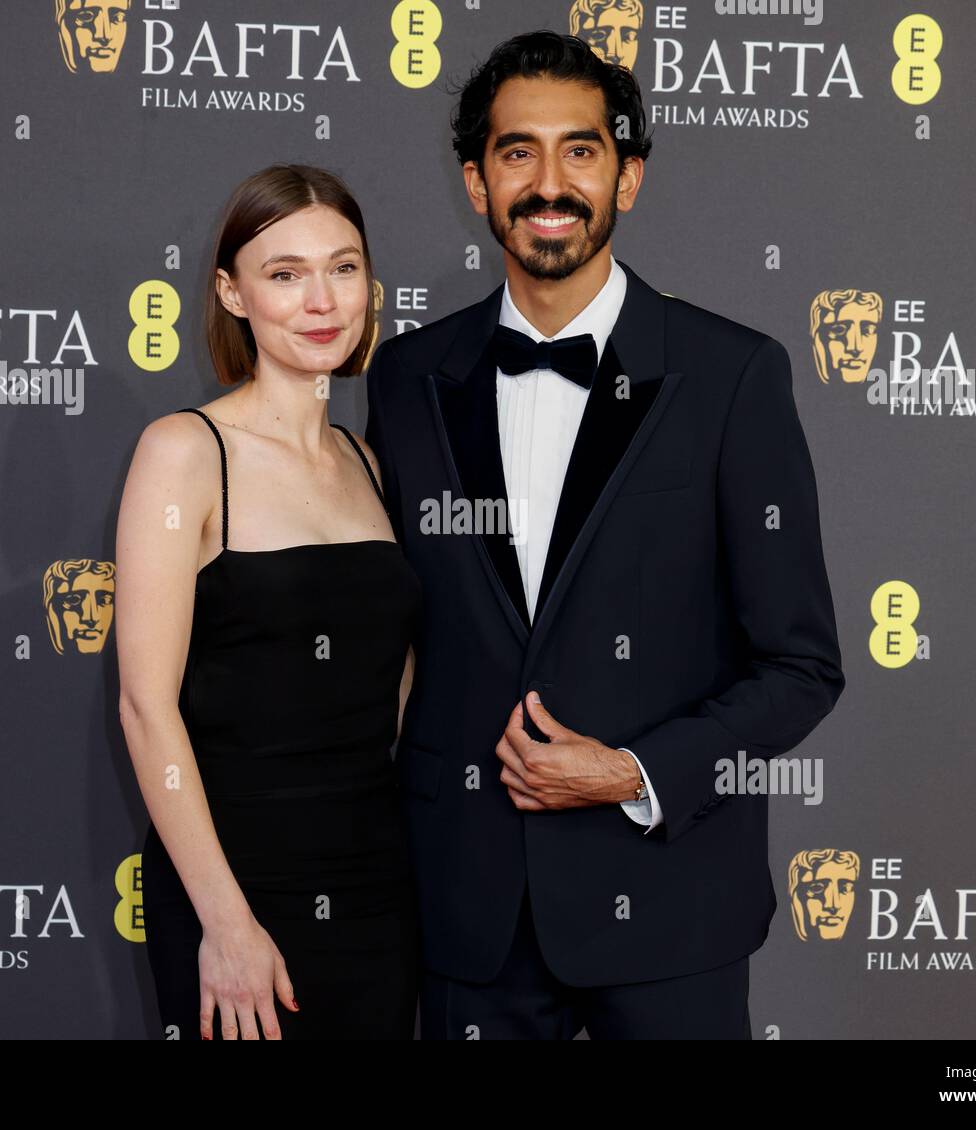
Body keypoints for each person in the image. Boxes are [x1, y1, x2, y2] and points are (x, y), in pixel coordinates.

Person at [364, 31, 845, 1039]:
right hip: (466, 910)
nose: (549, 183)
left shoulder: (731, 375)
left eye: (580, 151)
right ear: (474, 180)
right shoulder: (405, 378)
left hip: (672, 909)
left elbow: (801, 664)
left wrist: (632, 770)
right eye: (516, 152)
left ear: (627, 177)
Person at [116, 165, 421, 1040]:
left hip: (376, 887)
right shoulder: (186, 451)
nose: (320, 300)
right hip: (236, 883)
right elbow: (145, 708)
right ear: (233, 292)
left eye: (344, 267)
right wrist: (224, 920)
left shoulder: (369, 462)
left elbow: (390, 683)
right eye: (284, 274)